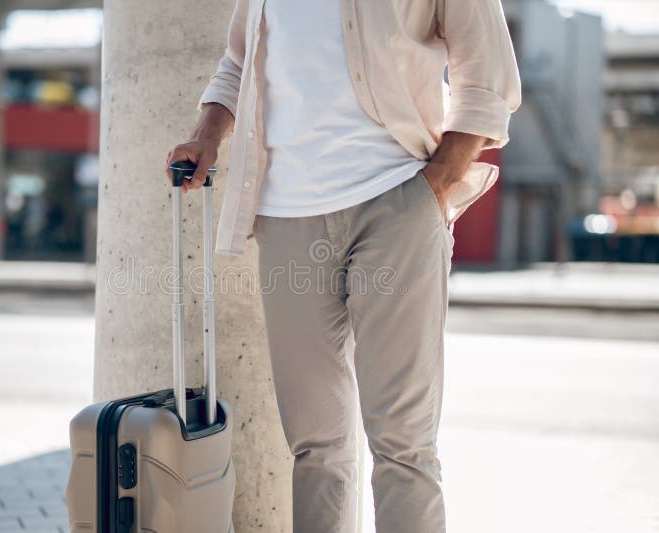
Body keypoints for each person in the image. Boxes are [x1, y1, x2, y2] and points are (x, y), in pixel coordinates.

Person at [166, 0, 521, 531]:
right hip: (286, 215)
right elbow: (239, 62)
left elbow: (487, 68)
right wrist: (207, 134)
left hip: (394, 200)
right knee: (315, 444)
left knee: (403, 443)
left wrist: (436, 184)